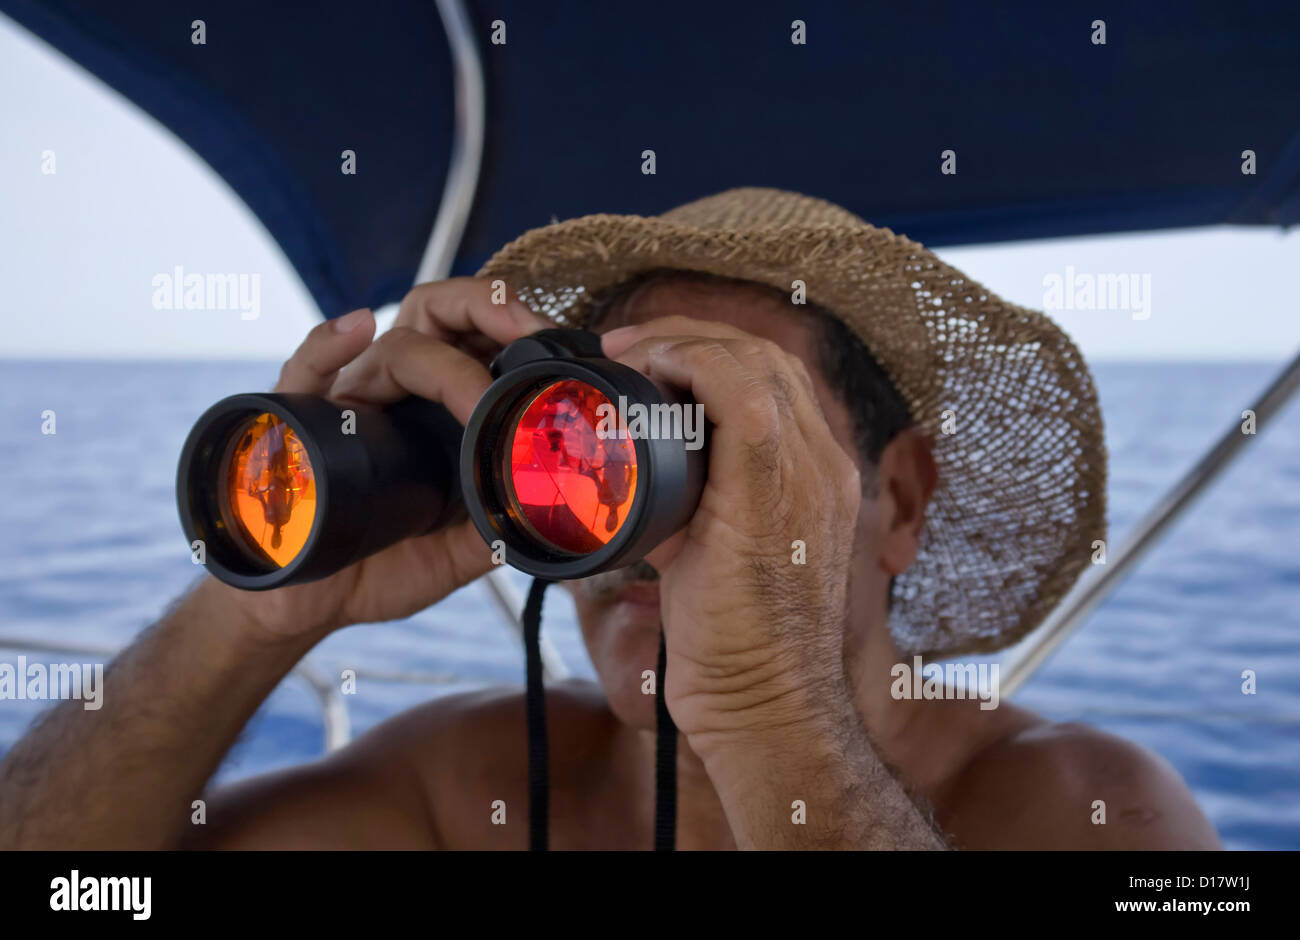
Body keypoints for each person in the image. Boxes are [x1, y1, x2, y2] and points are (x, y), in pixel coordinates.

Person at [0, 188, 1220, 850]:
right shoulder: (460, 787)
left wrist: (757, 703)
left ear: (894, 500)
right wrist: (256, 609)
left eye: (720, 437)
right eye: (575, 442)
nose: (630, 526)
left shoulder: (1088, 807)